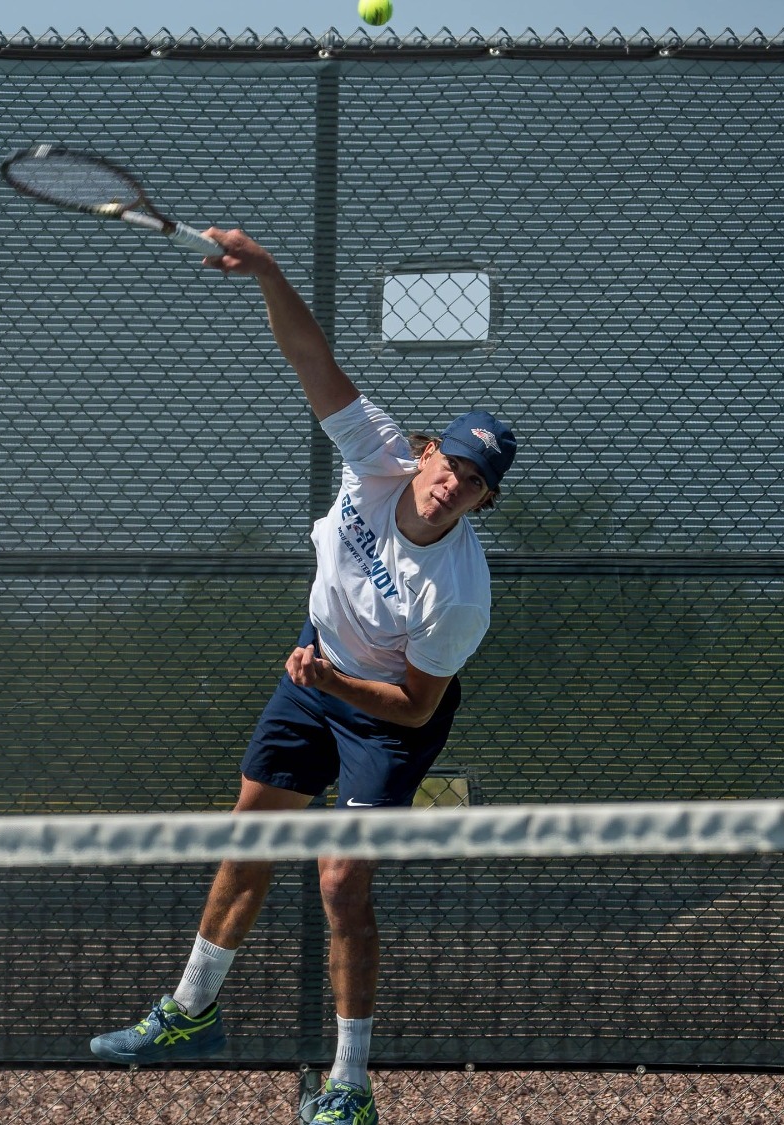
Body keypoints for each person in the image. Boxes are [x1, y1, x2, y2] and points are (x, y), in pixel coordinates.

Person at [88, 229, 517, 1125]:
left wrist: (329, 682)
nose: (452, 483)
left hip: (383, 715)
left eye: (474, 482)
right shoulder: (376, 456)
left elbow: (416, 705)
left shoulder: (459, 593)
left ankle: (350, 1086)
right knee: (251, 832)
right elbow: (311, 357)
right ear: (426, 452)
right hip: (315, 668)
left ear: (483, 500)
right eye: (450, 462)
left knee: (339, 883)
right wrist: (269, 272)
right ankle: (190, 1012)